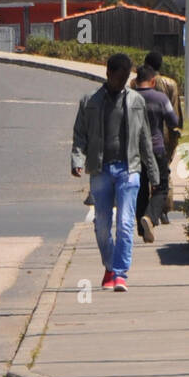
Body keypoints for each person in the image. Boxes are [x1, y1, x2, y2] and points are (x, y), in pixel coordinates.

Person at [71, 53, 160, 292]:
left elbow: (144, 139)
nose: (122, 82)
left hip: (128, 169)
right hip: (100, 170)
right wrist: (77, 160)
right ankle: (110, 266)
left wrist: (152, 172)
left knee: (125, 221)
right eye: (119, 77)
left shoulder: (135, 101)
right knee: (102, 225)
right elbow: (80, 134)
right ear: (108, 73)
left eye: (126, 78)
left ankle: (120, 273)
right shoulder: (90, 101)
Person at [132, 64, 181, 240]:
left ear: (136, 81)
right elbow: (173, 120)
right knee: (161, 187)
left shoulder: (129, 98)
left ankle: (141, 227)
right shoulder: (161, 99)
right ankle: (150, 218)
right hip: (156, 148)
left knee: (141, 188)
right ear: (153, 81)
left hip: (135, 151)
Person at [144, 50, 183, 224]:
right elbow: (175, 113)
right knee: (165, 171)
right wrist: (175, 133)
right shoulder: (171, 84)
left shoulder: (136, 84)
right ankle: (165, 210)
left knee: (146, 171)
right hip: (166, 135)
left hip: (146, 134)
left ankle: (149, 210)